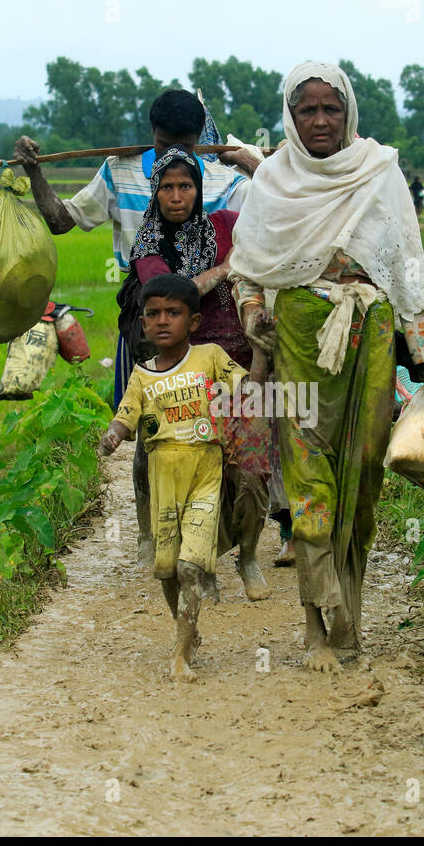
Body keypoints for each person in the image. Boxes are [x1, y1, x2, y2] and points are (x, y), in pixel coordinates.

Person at [229, 62, 424, 673]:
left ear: (348, 112)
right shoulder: (272, 180)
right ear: (290, 118)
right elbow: (247, 267)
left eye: (331, 108)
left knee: (362, 477)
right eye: (307, 110)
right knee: (308, 481)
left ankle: (348, 614)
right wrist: (253, 315)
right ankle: (314, 626)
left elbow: (406, 267)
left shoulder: (378, 173)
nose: (320, 120)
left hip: (369, 342)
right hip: (298, 337)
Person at [14, 89, 257, 569]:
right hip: (149, 312)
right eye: (168, 146)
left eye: (186, 148)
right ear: (153, 135)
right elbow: (62, 220)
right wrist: (35, 173)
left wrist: (254, 165)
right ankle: (151, 533)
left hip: (214, 315)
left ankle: (226, 533)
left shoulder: (224, 179)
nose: (176, 174)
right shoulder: (119, 170)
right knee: (150, 427)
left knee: (224, 430)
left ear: (199, 140)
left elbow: (266, 226)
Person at [129, 146, 271, 601]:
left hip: (243, 368)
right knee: (193, 474)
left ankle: (247, 555)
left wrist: (254, 165)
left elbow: (271, 223)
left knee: (251, 473)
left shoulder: (228, 224)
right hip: (183, 379)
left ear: (199, 188)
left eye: (185, 185)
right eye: (167, 186)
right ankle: (198, 562)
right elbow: (172, 291)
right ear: (156, 191)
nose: (176, 195)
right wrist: (229, 268)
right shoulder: (148, 246)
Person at [100, 273, 249, 682]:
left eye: (173, 313)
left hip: (205, 472)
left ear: (194, 322)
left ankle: (180, 653)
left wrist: (265, 356)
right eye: (153, 314)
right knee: (166, 569)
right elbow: (126, 415)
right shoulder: (142, 375)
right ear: (144, 323)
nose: (163, 321)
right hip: (162, 479)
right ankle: (188, 630)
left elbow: (249, 388)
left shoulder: (212, 357)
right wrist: (113, 435)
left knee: (189, 567)